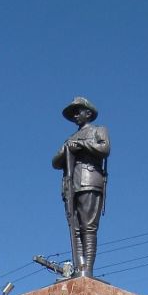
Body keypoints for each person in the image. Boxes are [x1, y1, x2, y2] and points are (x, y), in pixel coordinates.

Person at [51, 96, 110, 277]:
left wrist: (81, 145)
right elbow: (55, 161)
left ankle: (88, 269)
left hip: (90, 180)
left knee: (88, 227)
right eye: (73, 112)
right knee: (74, 228)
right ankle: (79, 265)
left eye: (79, 111)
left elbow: (104, 148)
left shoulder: (98, 130)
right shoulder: (70, 138)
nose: (76, 115)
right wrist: (68, 148)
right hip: (71, 185)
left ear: (88, 113)